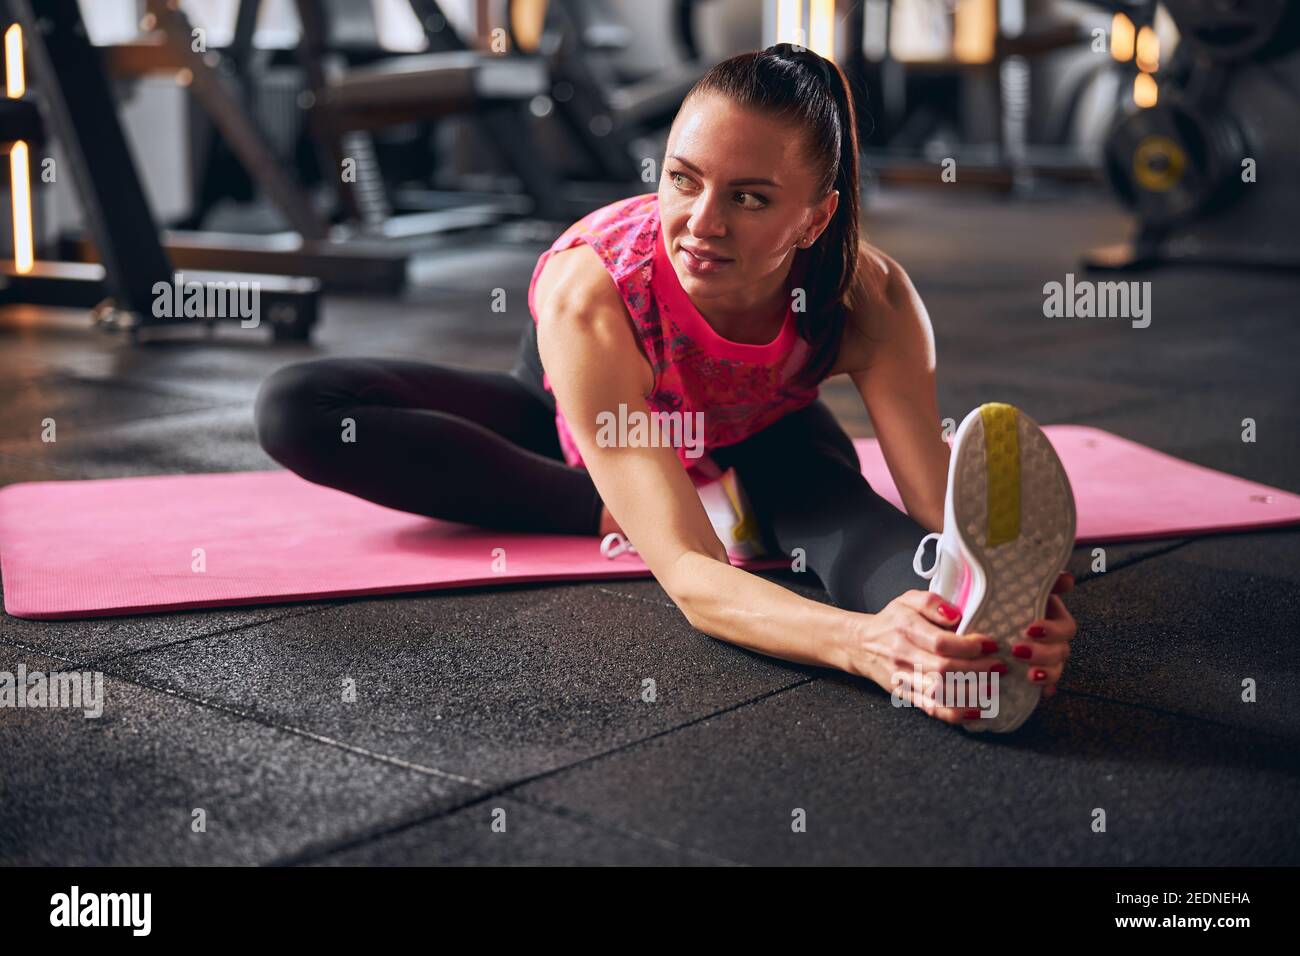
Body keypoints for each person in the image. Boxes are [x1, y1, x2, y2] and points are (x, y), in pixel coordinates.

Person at [255, 45, 1077, 730]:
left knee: (844, 516)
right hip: (580, 419)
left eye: (750, 198)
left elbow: (936, 507)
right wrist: (861, 647)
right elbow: (690, 571)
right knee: (297, 408)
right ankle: (621, 505)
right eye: (683, 180)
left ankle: (965, 649)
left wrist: (1024, 607)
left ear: (816, 220)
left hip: (767, 430)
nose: (702, 224)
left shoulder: (871, 297)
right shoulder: (595, 292)